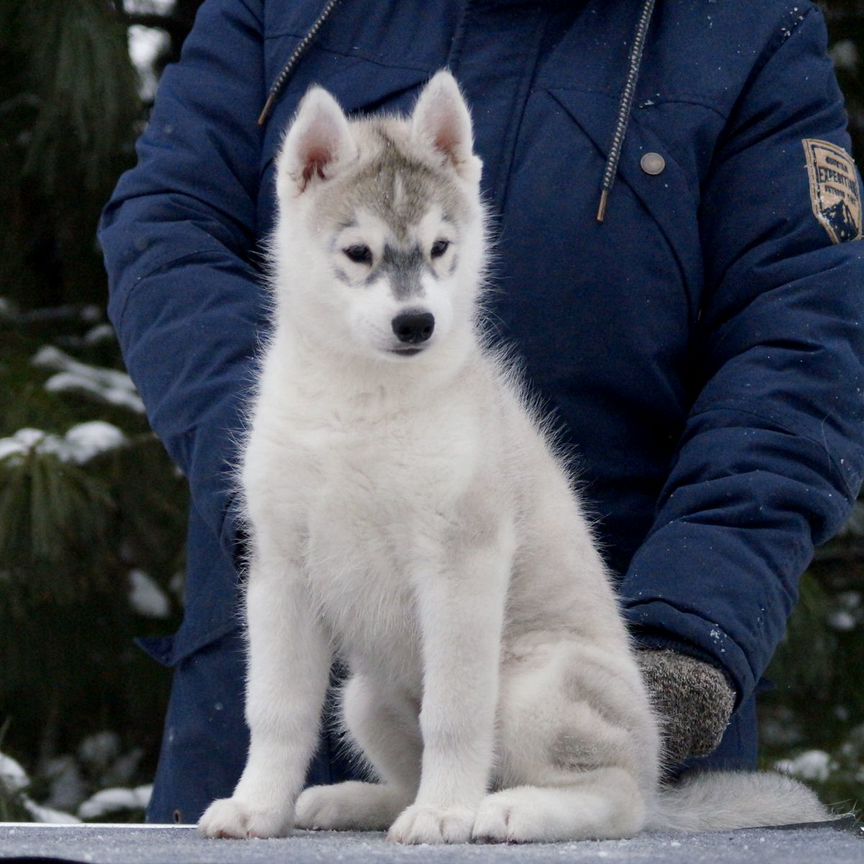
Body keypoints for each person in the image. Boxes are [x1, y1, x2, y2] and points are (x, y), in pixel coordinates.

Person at [100, 0, 864, 825]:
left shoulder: (744, 27)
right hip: (300, 676)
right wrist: (287, 473)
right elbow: (166, 229)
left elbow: (802, 350)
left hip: (605, 635)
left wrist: (687, 626)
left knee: (574, 762)